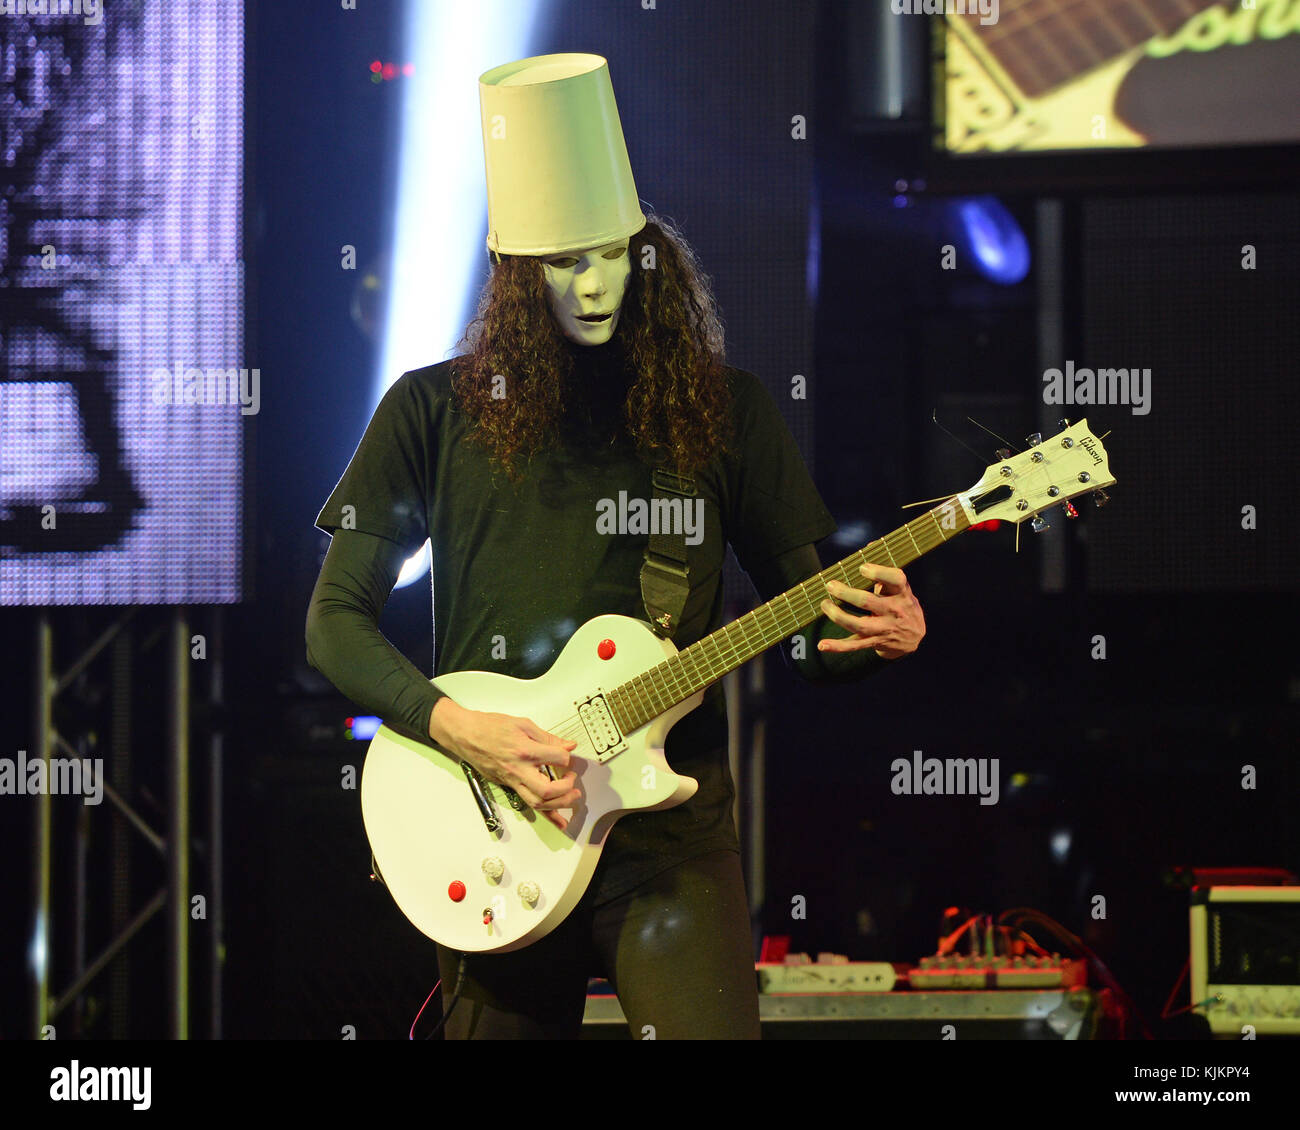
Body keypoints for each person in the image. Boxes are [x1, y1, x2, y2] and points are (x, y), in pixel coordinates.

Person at [305, 53, 925, 1040]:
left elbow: (807, 636)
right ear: (515, 274)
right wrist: (458, 726)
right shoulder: (429, 410)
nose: (593, 284)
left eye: (609, 253)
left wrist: (871, 635)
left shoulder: (726, 413)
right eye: (563, 261)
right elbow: (334, 623)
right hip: (498, 815)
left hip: (669, 840)